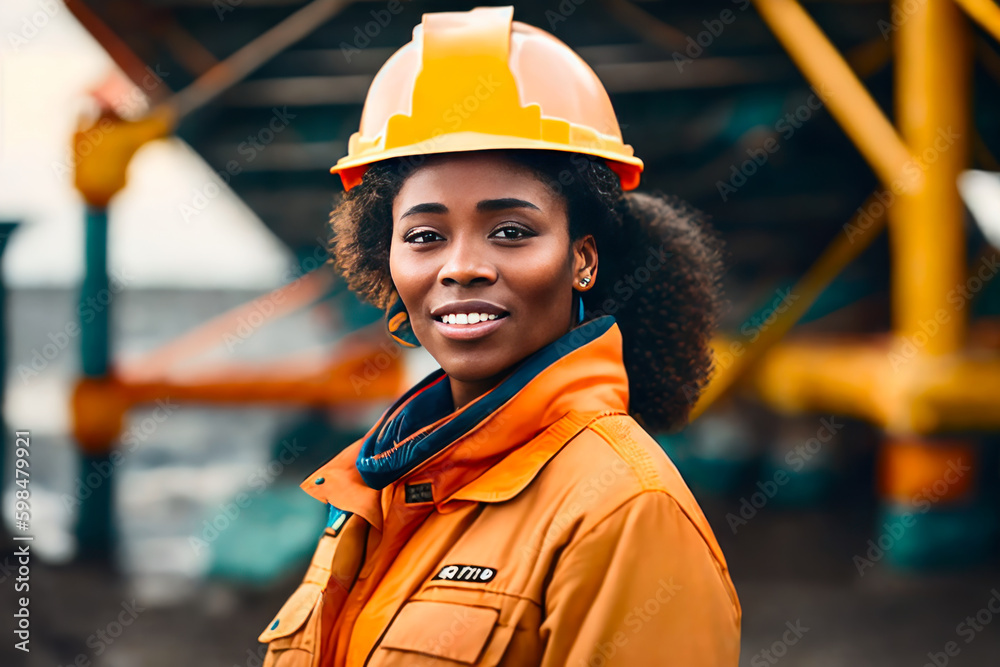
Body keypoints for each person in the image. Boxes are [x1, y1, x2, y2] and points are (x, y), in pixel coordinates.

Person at [257, 6, 740, 666]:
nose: (461, 266)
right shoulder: (373, 489)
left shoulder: (626, 513)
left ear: (583, 258)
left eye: (510, 231)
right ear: (385, 261)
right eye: (425, 236)